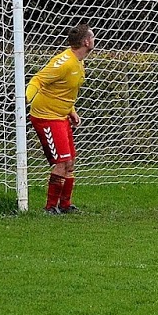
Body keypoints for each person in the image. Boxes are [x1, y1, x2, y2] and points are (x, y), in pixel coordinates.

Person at [25, 21, 95, 215]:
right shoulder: (64, 62)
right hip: (46, 116)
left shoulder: (80, 61)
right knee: (62, 162)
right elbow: (38, 79)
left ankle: (65, 205)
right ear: (86, 42)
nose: (95, 39)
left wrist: (71, 110)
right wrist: (24, 99)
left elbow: (64, 89)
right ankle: (50, 207)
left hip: (61, 115)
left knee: (70, 161)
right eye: (92, 36)